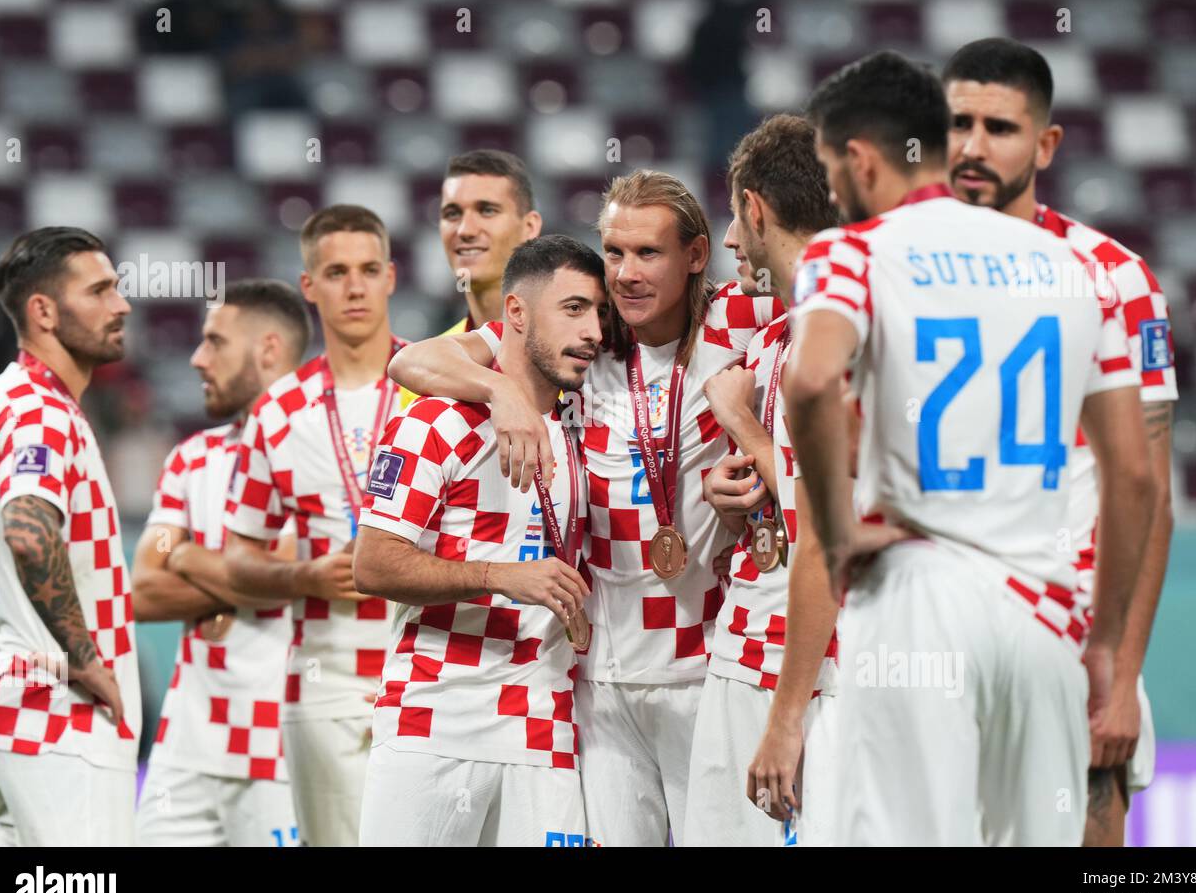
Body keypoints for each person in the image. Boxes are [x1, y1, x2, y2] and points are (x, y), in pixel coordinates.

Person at [770, 51, 1155, 845]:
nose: (833, 192)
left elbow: (808, 383)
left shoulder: (852, 254)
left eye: (830, 169)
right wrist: (1108, 641)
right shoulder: (1077, 269)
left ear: (860, 158)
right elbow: (1138, 478)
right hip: (1047, 618)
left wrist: (839, 535)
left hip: (918, 599)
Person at [389, 169, 781, 845]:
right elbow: (412, 363)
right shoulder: (588, 339)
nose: (625, 275)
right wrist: (500, 392)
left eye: (648, 254)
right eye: (615, 253)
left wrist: (747, 490)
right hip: (598, 681)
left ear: (695, 256)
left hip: (706, 667)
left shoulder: (740, 320)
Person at [942, 37, 1178, 846]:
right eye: (957, 123)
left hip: (1070, 641)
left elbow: (1149, 495)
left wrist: (1119, 671)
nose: (973, 146)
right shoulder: (895, 268)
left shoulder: (1112, 277)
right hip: (935, 647)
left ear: (1044, 145)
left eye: (998, 128)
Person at [354, 235, 604, 846]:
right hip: (434, 719)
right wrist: (501, 577)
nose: (595, 330)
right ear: (515, 314)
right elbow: (374, 565)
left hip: (544, 729)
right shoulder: (435, 421)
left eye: (600, 312)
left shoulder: (587, 428)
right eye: (573, 309)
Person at [223, 205, 412, 846]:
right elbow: (235, 561)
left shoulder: (440, 383)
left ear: (391, 276)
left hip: (433, 668)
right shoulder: (277, 411)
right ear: (309, 286)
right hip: (325, 679)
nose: (354, 287)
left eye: (367, 270)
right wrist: (303, 574)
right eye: (335, 272)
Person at [682, 114, 840, 846]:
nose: (734, 245)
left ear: (754, 208)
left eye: (735, 221)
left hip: (815, 670)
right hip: (747, 646)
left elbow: (824, 517)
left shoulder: (831, 333)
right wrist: (737, 488)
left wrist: (739, 422)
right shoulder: (778, 336)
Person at [0, 227, 140, 845]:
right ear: (42, 311)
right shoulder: (40, 410)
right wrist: (86, 660)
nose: (121, 305)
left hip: (13, 714)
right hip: (62, 724)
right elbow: (27, 533)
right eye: (99, 290)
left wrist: (9, 626)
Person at [133, 279, 312, 847]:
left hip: (283, 743)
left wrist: (186, 554)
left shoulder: (321, 454)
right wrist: (259, 577)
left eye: (215, 342)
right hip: (185, 746)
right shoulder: (192, 459)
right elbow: (142, 588)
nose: (196, 358)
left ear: (267, 350)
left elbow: (286, 578)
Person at [438, 150, 543, 333]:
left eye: (487, 210)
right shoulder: (434, 355)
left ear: (529, 227)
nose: (465, 230)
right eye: (452, 214)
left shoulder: (577, 344)